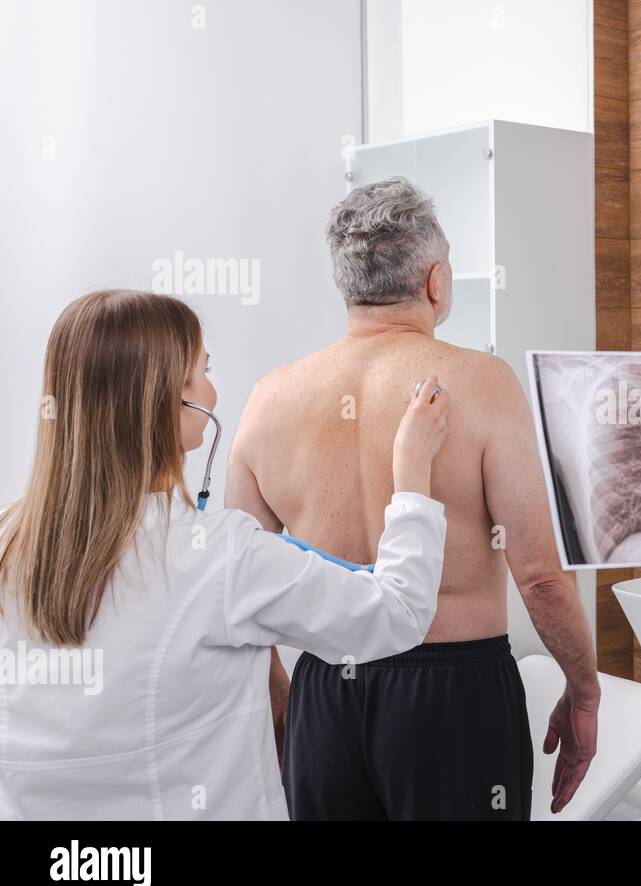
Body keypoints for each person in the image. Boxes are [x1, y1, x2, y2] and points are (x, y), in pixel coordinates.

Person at [227, 177, 599, 820]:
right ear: (435, 281)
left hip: (325, 686)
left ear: (346, 285)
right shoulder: (482, 383)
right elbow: (539, 576)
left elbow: (234, 584)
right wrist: (584, 691)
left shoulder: (270, 397)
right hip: (456, 695)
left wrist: (281, 696)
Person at [0, 290, 450, 820]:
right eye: (203, 371)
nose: (213, 390)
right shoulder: (221, 557)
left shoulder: (10, 542)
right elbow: (396, 613)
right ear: (175, 401)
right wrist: (413, 477)